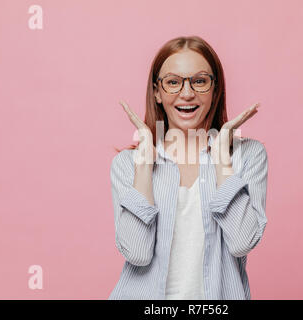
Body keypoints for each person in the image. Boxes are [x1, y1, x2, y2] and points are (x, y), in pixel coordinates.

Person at [108, 35, 268, 300]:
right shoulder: (128, 164)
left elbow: (242, 243)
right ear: (157, 92)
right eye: (173, 82)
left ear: (215, 89)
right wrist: (145, 166)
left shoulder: (248, 156)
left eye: (200, 81)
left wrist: (221, 161)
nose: (186, 93)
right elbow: (136, 253)